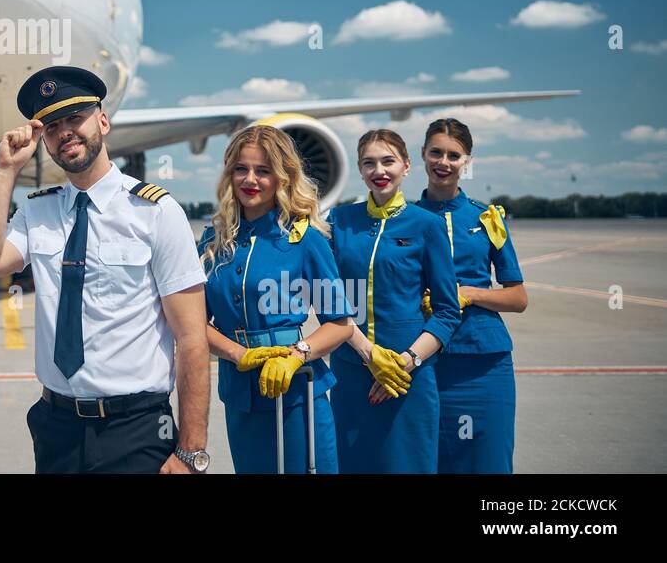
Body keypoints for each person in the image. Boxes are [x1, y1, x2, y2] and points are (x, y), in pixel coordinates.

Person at [0, 66, 210, 473]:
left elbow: (191, 339)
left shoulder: (154, 211)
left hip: (137, 427)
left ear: (102, 120)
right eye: (53, 126)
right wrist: (5, 170)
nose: (65, 133)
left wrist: (191, 450)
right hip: (56, 426)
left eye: (75, 118)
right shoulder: (37, 210)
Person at [199, 125, 354, 473]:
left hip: (298, 393)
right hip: (240, 392)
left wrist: (298, 355)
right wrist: (237, 353)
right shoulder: (212, 242)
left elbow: (341, 324)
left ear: (283, 178)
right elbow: (194, 324)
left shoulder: (306, 240)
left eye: (263, 170)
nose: (250, 179)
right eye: (241, 168)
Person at [328, 128, 460, 473]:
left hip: (408, 378)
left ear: (406, 166)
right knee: (352, 463)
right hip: (350, 369)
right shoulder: (339, 222)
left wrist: (405, 363)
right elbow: (328, 298)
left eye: (388, 161)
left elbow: (447, 311)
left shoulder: (427, 225)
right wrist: (368, 355)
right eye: (369, 163)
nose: (379, 171)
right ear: (359, 170)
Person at [415, 117, 527, 473]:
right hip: (425, 360)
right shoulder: (406, 219)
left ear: (467, 162)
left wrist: (470, 294)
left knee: (489, 461)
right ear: (422, 155)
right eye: (436, 153)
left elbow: (518, 297)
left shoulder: (488, 218)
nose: (443, 162)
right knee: (428, 460)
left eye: (454, 155)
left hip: (485, 361)